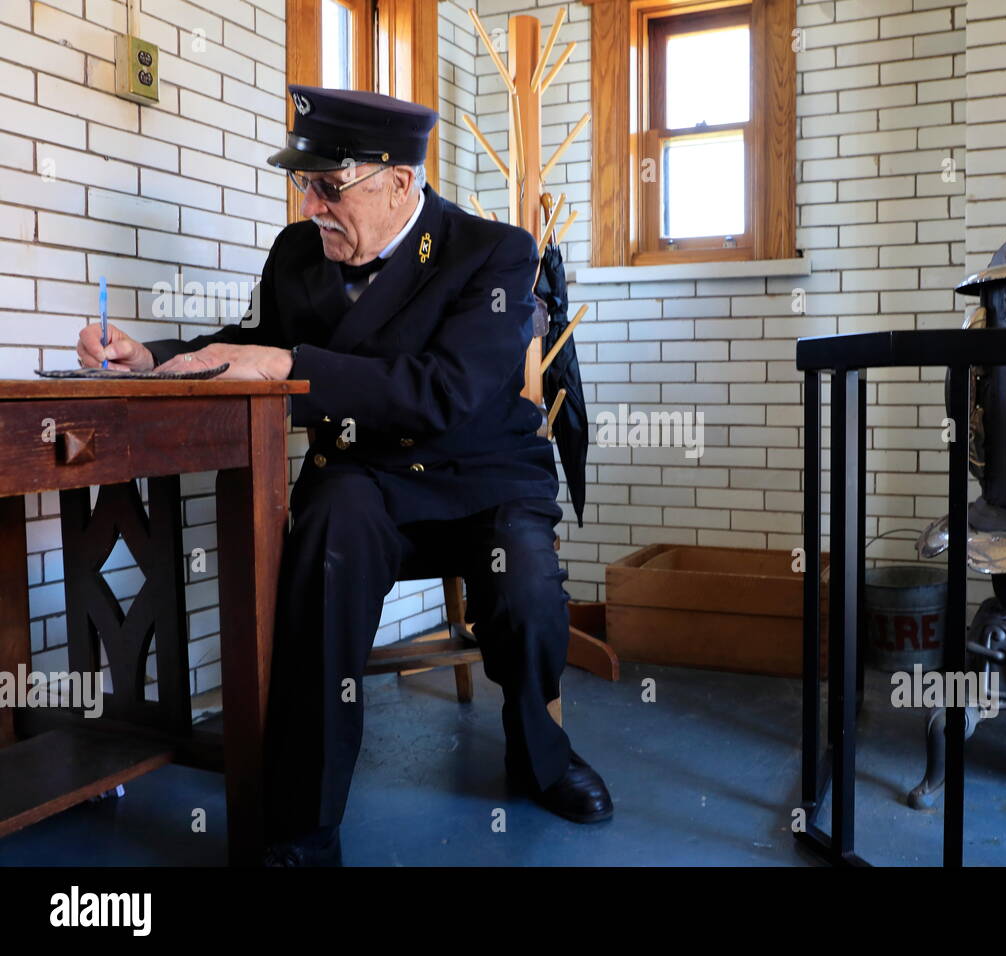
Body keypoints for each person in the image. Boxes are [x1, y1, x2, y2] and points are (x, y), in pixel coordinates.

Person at [76, 85, 612, 866]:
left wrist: (294, 364)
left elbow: (445, 391)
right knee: (323, 554)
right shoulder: (299, 253)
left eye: (331, 184)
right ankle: (304, 825)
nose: (312, 202)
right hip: (365, 473)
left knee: (528, 598)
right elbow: (255, 339)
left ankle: (542, 756)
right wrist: (152, 355)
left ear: (400, 182)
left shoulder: (492, 251)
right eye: (304, 182)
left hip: (483, 474)